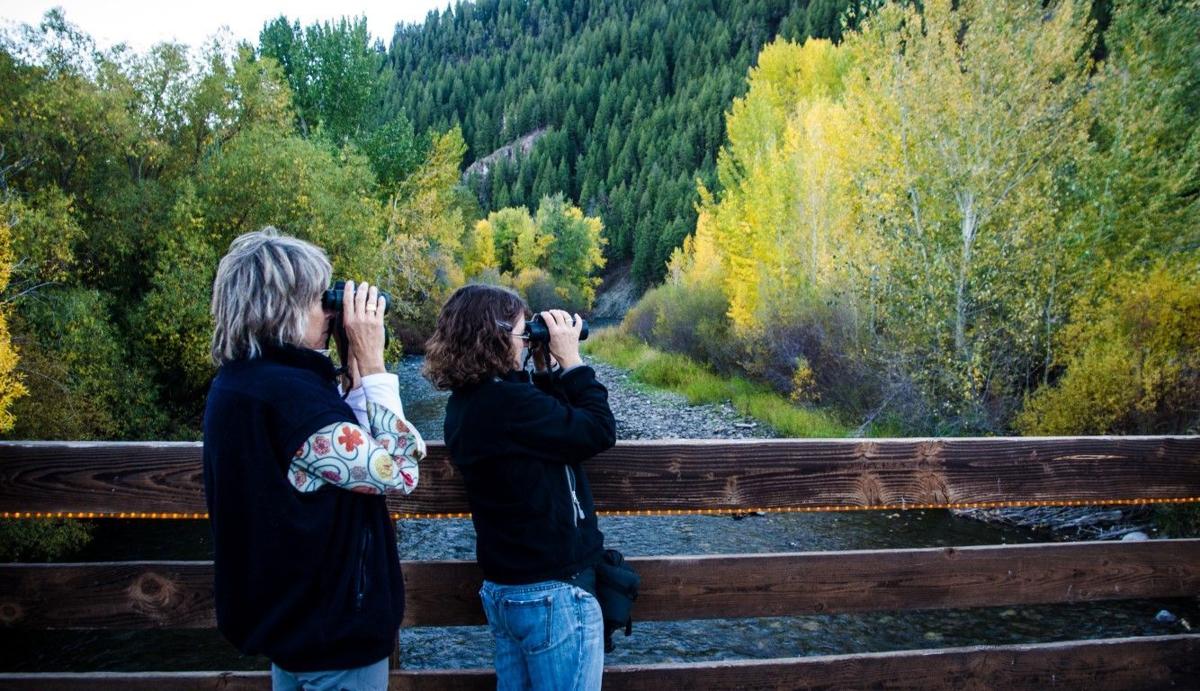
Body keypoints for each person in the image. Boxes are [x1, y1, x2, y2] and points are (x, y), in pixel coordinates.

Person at [203, 228, 426, 691]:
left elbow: (346, 448)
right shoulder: (293, 401)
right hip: (336, 641)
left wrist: (352, 369)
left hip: (293, 629)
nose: (331, 310)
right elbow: (400, 471)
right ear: (281, 307)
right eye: (319, 299)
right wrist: (375, 362)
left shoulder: (239, 382)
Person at [423, 284, 617, 691]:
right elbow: (596, 429)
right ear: (493, 336)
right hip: (553, 594)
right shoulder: (508, 406)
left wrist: (545, 367)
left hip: (507, 591)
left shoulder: (470, 402)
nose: (526, 338)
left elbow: (546, 421)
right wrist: (574, 362)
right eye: (521, 332)